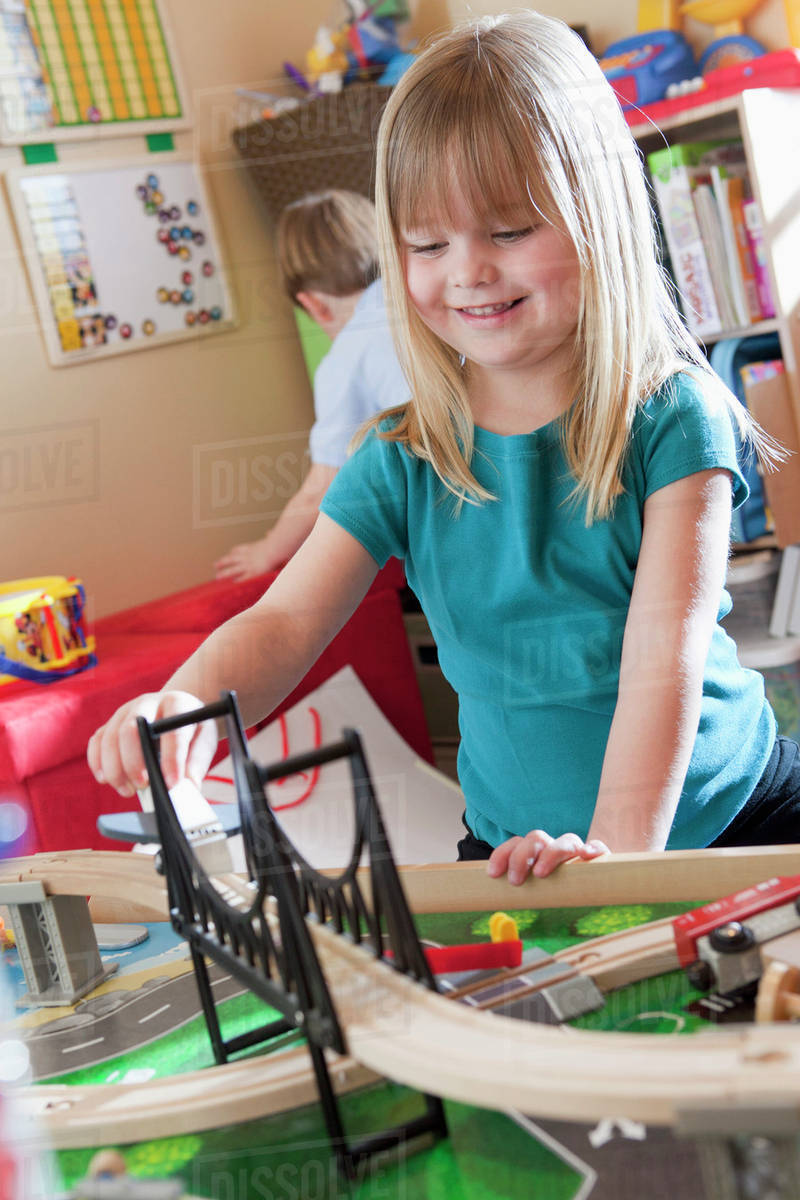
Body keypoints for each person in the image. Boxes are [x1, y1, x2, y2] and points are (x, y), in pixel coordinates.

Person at [88, 12, 799, 882]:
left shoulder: (672, 416)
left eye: (510, 231)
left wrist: (615, 862)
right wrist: (186, 702)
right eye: (428, 244)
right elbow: (283, 622)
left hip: (724, 822)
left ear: (600, 214)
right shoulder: (400, 457)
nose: (467, 272)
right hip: (514, 849)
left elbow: (664, 658)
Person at [214, 189, 409, 581]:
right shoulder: (423, 296)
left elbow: (323, 485)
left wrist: (268, 549)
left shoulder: (346, 358)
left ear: (313, 305)